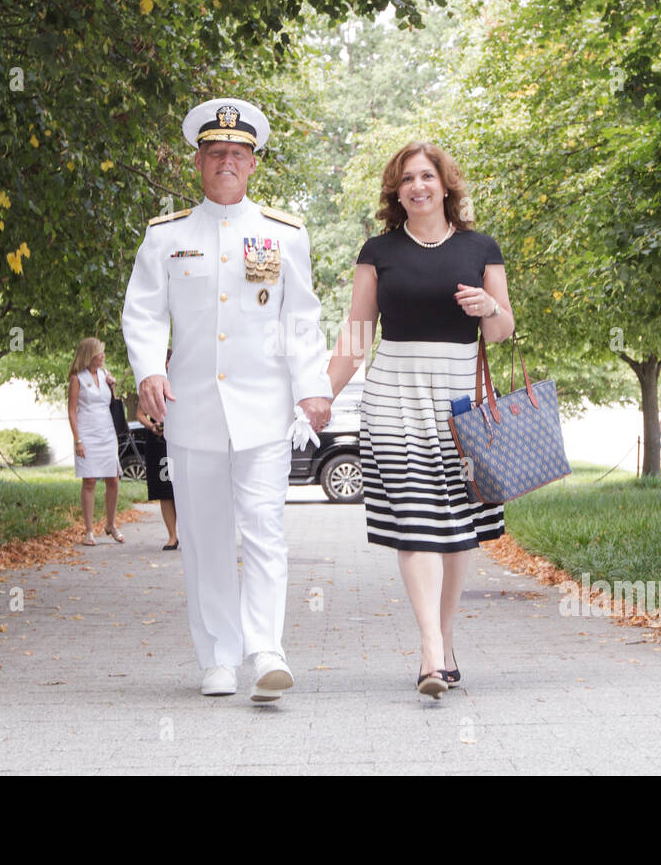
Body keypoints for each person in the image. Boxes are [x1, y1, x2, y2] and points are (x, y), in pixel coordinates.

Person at [122, 97, 331, 701]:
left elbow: (302, 319)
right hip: (191, 413)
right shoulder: (167, 236)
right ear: (198, 162)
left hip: (264, 409)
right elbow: (141, 313)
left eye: (238, 154)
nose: (227, 162)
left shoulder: (283, 234)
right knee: (207, 534)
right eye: (216, 153)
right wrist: (146, 372)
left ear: (253, 165)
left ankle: (266, 649)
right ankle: (217, 655)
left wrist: (312, 388)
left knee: (264, 527)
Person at [326, 141, 514, 699]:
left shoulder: (481, 247)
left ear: (445, 185)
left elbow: (502, 332)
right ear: (396, 191)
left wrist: (490, 308)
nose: (418, 186)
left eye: (427, 176)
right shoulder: (377, 251)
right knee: (416, 520)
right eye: (407, 178)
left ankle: (445, 639)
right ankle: (431, 651)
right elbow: (357, 334)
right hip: (392, 399)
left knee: (456, 530)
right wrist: (318, 396)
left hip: (459, 402)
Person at [67, 337, 124, 546]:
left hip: (106, 431)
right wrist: (78, 440)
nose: (103, 356)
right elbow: (72, 412)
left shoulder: (104, 374)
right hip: (87, 432)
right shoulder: (77, 378)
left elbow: (111, 403)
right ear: (90, 355)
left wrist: (112, 386)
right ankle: (89, 530)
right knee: (89, 480)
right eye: (100, 352)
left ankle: (110, 524)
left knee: (113, 478)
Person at [137, 349, 179, 550]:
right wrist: (153, 426)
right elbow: (140, 413)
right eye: (164, 361)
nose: (167, 364)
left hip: (182, 440)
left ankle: (190, 534)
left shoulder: (185, 379)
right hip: (159, 442)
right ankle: (172, 536)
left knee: (183, 488)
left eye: (169, 360)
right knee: (164, 489)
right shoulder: (151, 382)